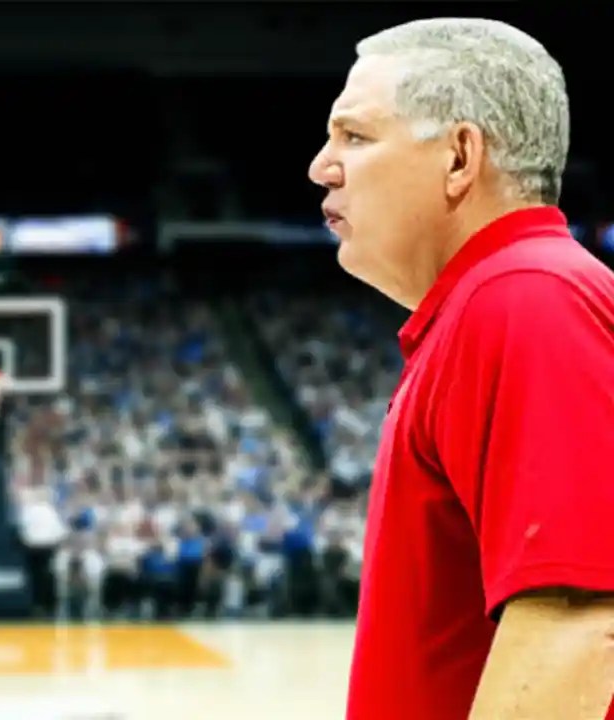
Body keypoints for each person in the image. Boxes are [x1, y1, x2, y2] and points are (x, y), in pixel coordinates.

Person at [308, 17, 614, 720]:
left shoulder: (527, 296)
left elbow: (574, 626)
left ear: (459, 157)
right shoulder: (496, 301)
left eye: (353, 136)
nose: (321, 165)